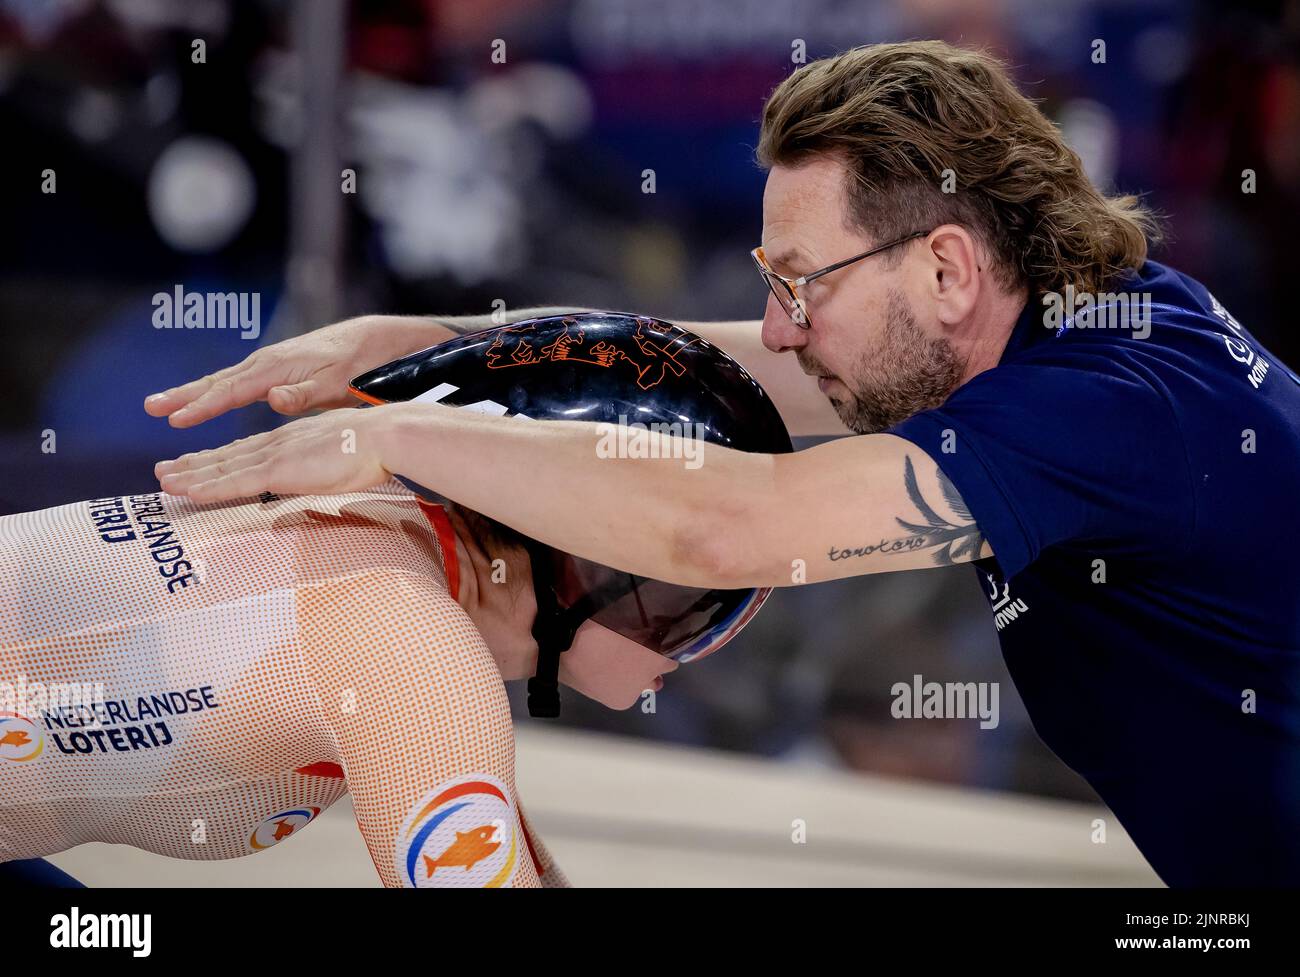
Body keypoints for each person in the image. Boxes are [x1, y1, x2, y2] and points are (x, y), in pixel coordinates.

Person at [147, 41, 1300, 886]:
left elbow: (730, 526)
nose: (781, 326)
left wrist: (392, 436)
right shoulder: (1082, 323)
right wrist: (406, 345)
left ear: (947, 268)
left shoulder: (1107, 407)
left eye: (801, 282)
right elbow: (693, 360)